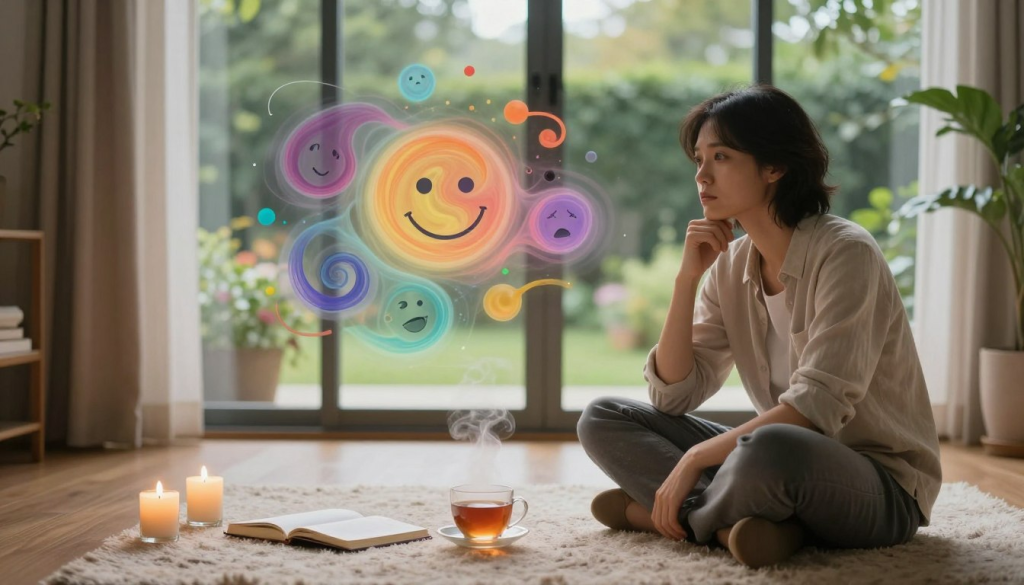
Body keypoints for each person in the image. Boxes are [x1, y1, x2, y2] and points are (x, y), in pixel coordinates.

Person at [576, 84, 941, 569]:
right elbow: (673, 397)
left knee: (769, 445)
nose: (701, 175)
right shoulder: (731, 264)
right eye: (698, 159)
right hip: (777, 462)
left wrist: (694, 459)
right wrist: (687, 280)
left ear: (775, 166)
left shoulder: (846, 253)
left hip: (881, 487)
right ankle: (744, 528)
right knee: (603, 415)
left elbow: (815, 409)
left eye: (721, 156)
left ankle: (674, 518)